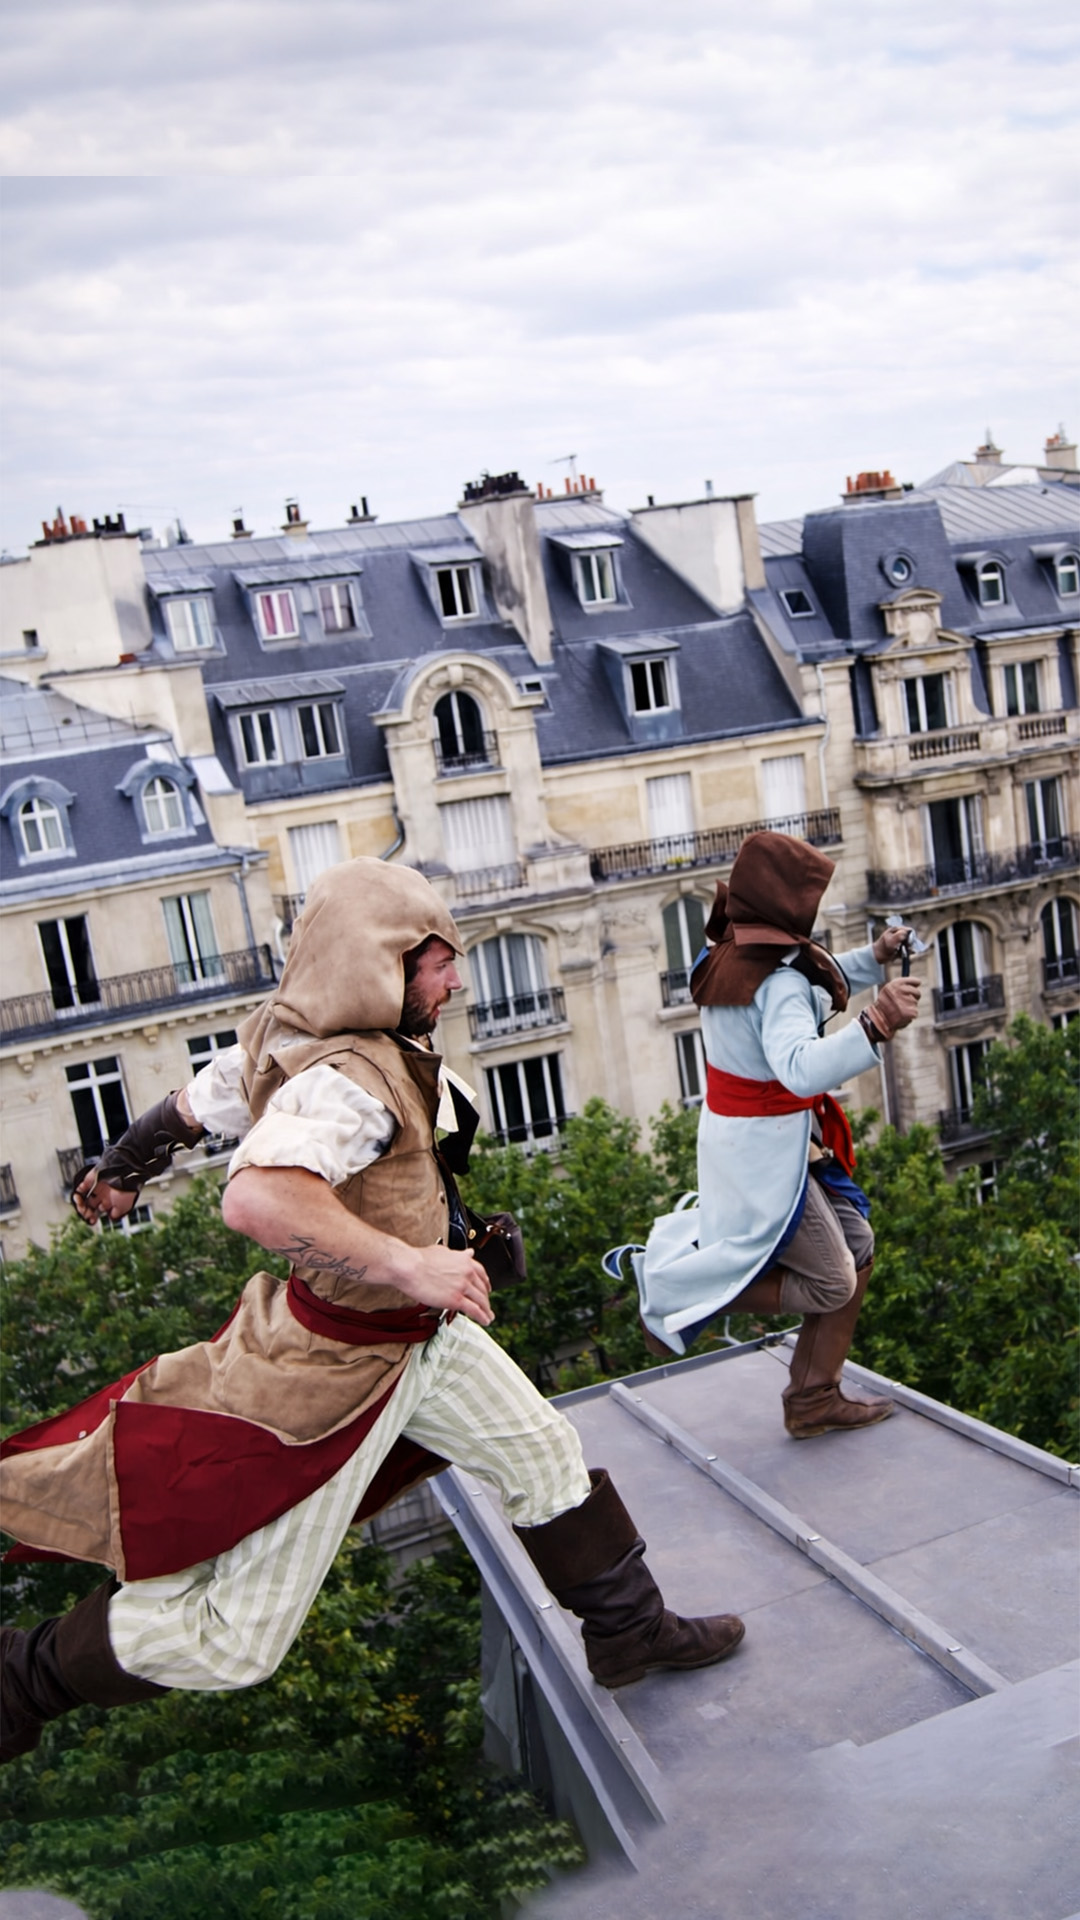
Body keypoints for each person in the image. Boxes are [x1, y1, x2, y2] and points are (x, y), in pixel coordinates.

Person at [0, 858, 744, 1765]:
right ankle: (21, 1675)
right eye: (438, 962)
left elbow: (193, 1104)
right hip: (341, 1374)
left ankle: (631, 1633)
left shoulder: (295, 1033)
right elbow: (257, 1200)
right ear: (381, 965)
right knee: (234, 1638)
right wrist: (409, 1264)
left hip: (418, 1341)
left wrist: (122, 1168)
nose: (457, 978)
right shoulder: (344, 1080)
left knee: (544, 1457)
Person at [638, 832, 920, 1438]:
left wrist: (872, 958)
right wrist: (877, 1022)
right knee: (832, 1277)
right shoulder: (780, 983)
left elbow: (805, 977)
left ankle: (814, 1395)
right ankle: (686, 1291)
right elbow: (798, 1066)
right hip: (768, 1149)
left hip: (741, 1143)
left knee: (858, 1245)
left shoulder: (720, 956)